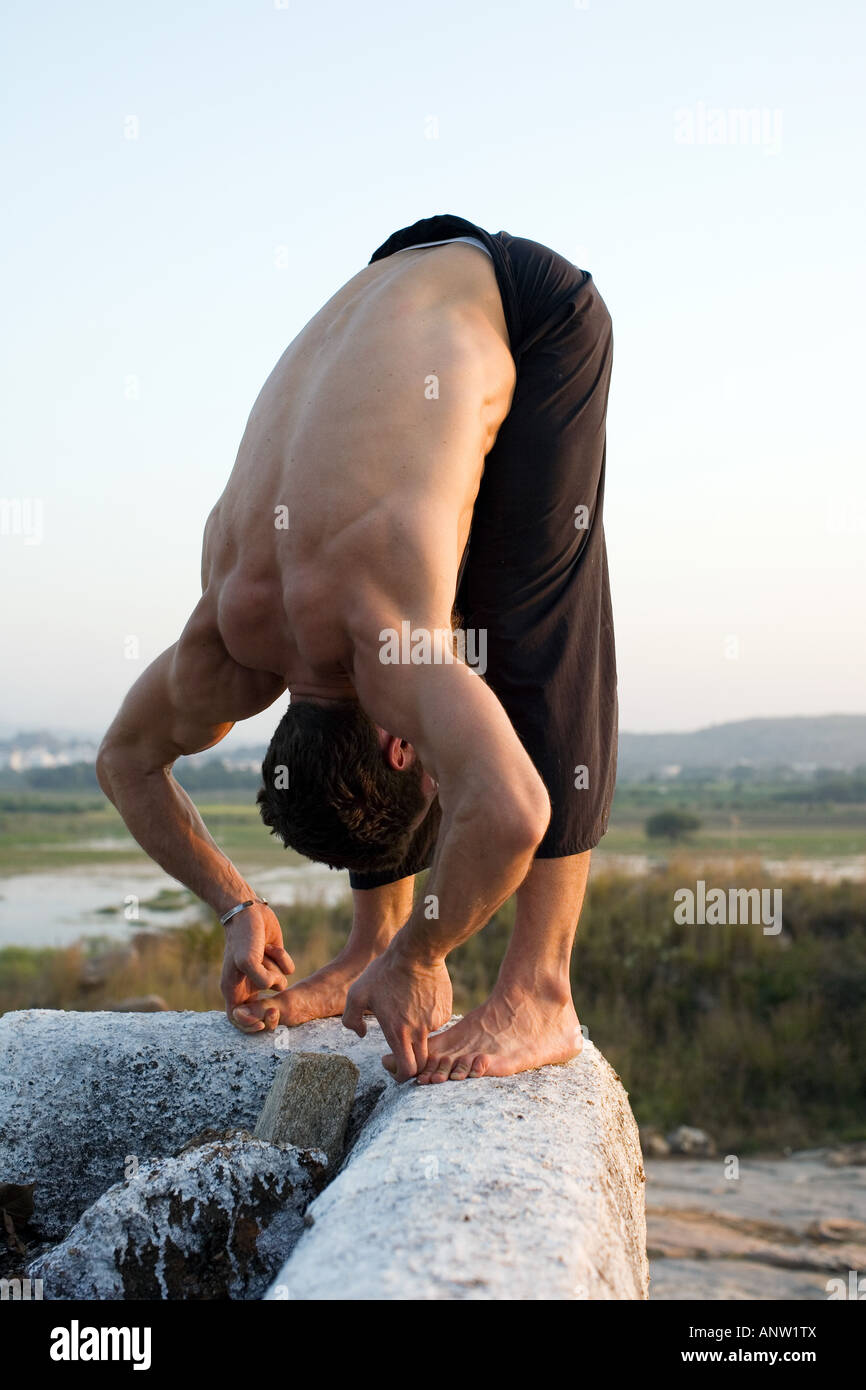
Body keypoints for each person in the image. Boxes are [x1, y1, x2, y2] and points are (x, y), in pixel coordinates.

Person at [97, 214, 617, 1083]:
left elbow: (515, 809)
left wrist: (424, 955)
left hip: (528, 305)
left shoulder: (384, 646)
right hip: (398, 277)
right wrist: (237, 906)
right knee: (453, 601)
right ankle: (367, 945)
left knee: (528, 630)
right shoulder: (230, 632)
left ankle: (542, 990)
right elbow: (123, 760)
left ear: (398, 743)